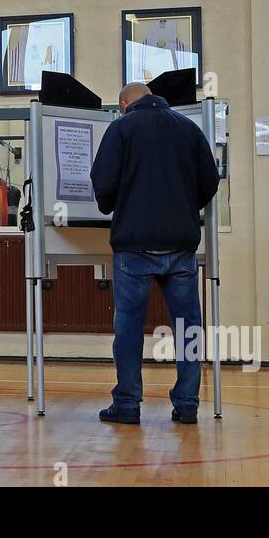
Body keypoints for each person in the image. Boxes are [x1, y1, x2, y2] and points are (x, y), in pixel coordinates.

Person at [90, 82, 220, 426]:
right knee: (189, 327)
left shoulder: (120, 129)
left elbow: (102, 183)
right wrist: (184, 207)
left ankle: (128, 404)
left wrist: (117, 204)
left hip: (133, 246)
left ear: (123, 104)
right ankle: (188, 403)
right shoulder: (188, 128)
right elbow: (210, 179)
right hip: (180, 246)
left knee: (129, 328)